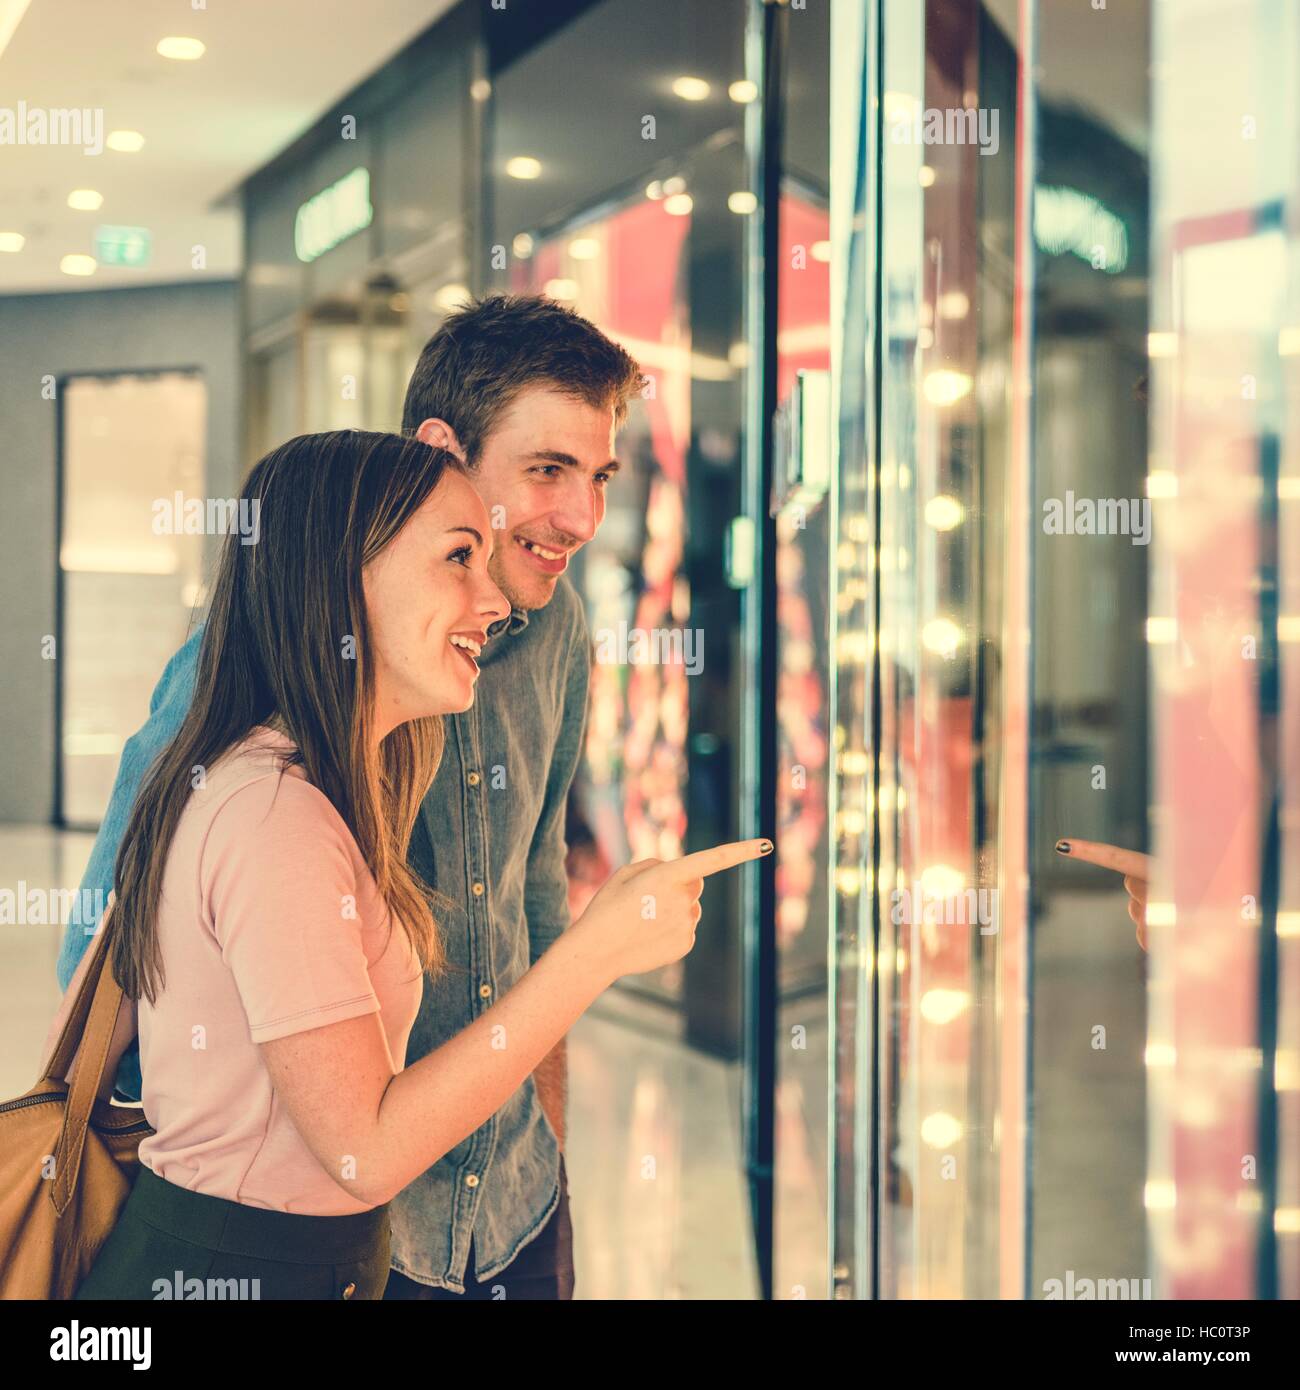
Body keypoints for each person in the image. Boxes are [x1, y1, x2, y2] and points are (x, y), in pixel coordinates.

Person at [50, 429, 771, 1299]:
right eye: (457, 558)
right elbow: (365, 1149)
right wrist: (596, 953)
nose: (495, 600)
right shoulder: (274, 815)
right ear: (338, 575)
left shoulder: (302, 787)